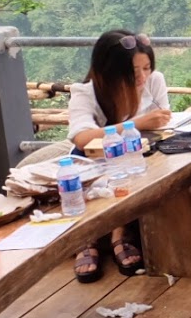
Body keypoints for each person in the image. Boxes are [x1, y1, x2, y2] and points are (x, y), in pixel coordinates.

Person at [70, 29, 173, 282]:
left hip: (135, 157)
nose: (142, 76)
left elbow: (163, 120)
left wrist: (150, 122)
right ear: (109, 71)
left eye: (146, 68)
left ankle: (120, 233)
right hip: (95, 159)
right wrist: (136, 123)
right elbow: (82, 138)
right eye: (133, 71)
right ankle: (87, 237)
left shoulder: (154, 81)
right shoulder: (87, 92)